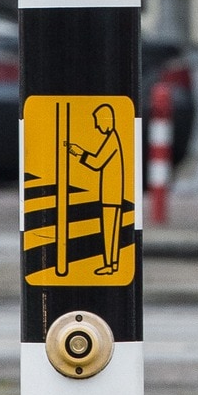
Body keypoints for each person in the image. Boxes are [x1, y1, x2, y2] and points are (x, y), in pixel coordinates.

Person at [70, 102, 126, 274]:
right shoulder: (113, 138)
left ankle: (110, 265)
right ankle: (112, 264)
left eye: (98, 121)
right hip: (112, 193)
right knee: (111, 229)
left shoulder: (112, 140)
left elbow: (97, 162)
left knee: (109, 229)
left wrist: (78, 152)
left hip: (111, 194)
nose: (96, 125)